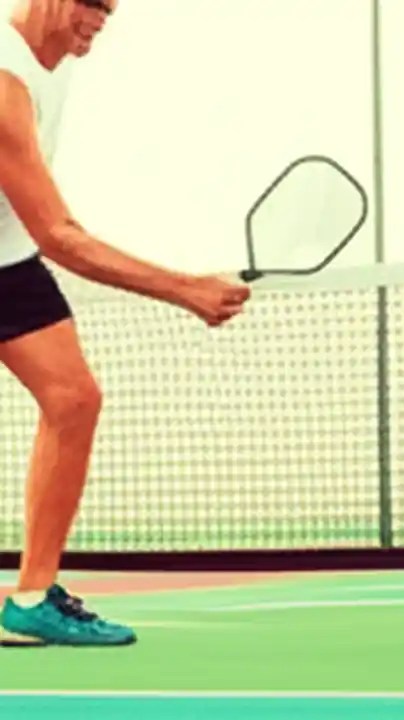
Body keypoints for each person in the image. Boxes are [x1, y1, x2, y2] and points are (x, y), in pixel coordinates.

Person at [0, 0, 250, 647]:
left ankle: (31, 599)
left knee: (73, 399)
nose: (101, 19)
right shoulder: (3, 79)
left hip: (5, 259)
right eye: (90, 5)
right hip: (26, 247)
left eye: (108, 8)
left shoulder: (56, 62)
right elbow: (59, 233)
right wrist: (185, 288)